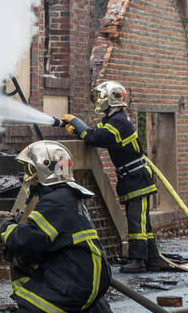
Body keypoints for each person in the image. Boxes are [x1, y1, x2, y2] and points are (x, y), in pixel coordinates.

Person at [0, 140, 125, 313]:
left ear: (44, 170)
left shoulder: (56, 201)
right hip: (78, 278)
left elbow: (25, 242)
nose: (27, 176)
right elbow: (38, 241)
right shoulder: (64, 197)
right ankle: (88, 309)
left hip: (72, 284)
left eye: (31, 169)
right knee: (18, 256)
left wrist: (4, 225)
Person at [58, 81, 160, 273]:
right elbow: (95, 133)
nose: (98, 100)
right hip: (132, 177)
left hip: (136, 177)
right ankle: (152, 259)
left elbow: (94, 137)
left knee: (137, 221)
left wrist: (76, 122)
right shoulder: (114, 119)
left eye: (101, 96)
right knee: (141, 220)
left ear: (111, 99)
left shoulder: (119, 122)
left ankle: (138, 261)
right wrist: (79, 132)